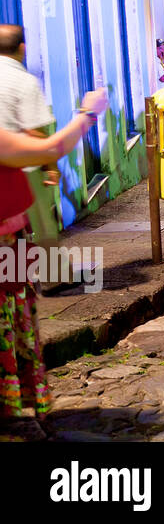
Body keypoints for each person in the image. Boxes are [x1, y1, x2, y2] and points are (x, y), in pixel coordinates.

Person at [0, 88, 107, 421]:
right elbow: (49, 147)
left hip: (13, 238)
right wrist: (88, 114)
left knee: (16, 321)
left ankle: (16, 408)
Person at [0, 26, 59, 237]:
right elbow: (35, 132)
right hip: (22, 169)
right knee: (42, 227)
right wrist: (51, 166)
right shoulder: (23, 81)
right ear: (22, 48)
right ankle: (52, 269)